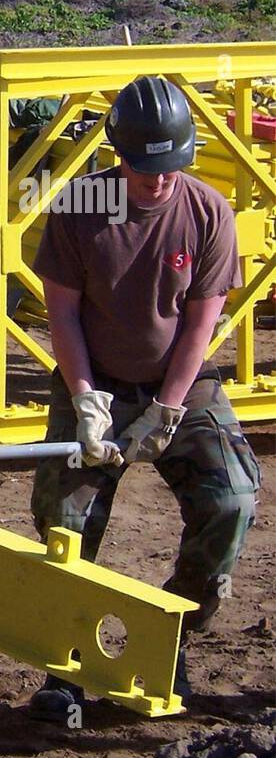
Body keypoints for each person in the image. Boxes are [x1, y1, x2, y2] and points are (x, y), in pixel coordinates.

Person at [28, 75, 262, 720]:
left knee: (233, 499)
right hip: (95, 382)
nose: (157, 181)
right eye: (142, 168)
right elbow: (64, 315)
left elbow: (200, 322)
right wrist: (84, 398)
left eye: (169, 168)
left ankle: (171, 635)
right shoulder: (79, 208)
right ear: (118, 156)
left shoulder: (209, 213)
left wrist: (169, 408)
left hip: (183, 385)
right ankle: (64, 668)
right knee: (64, 525)